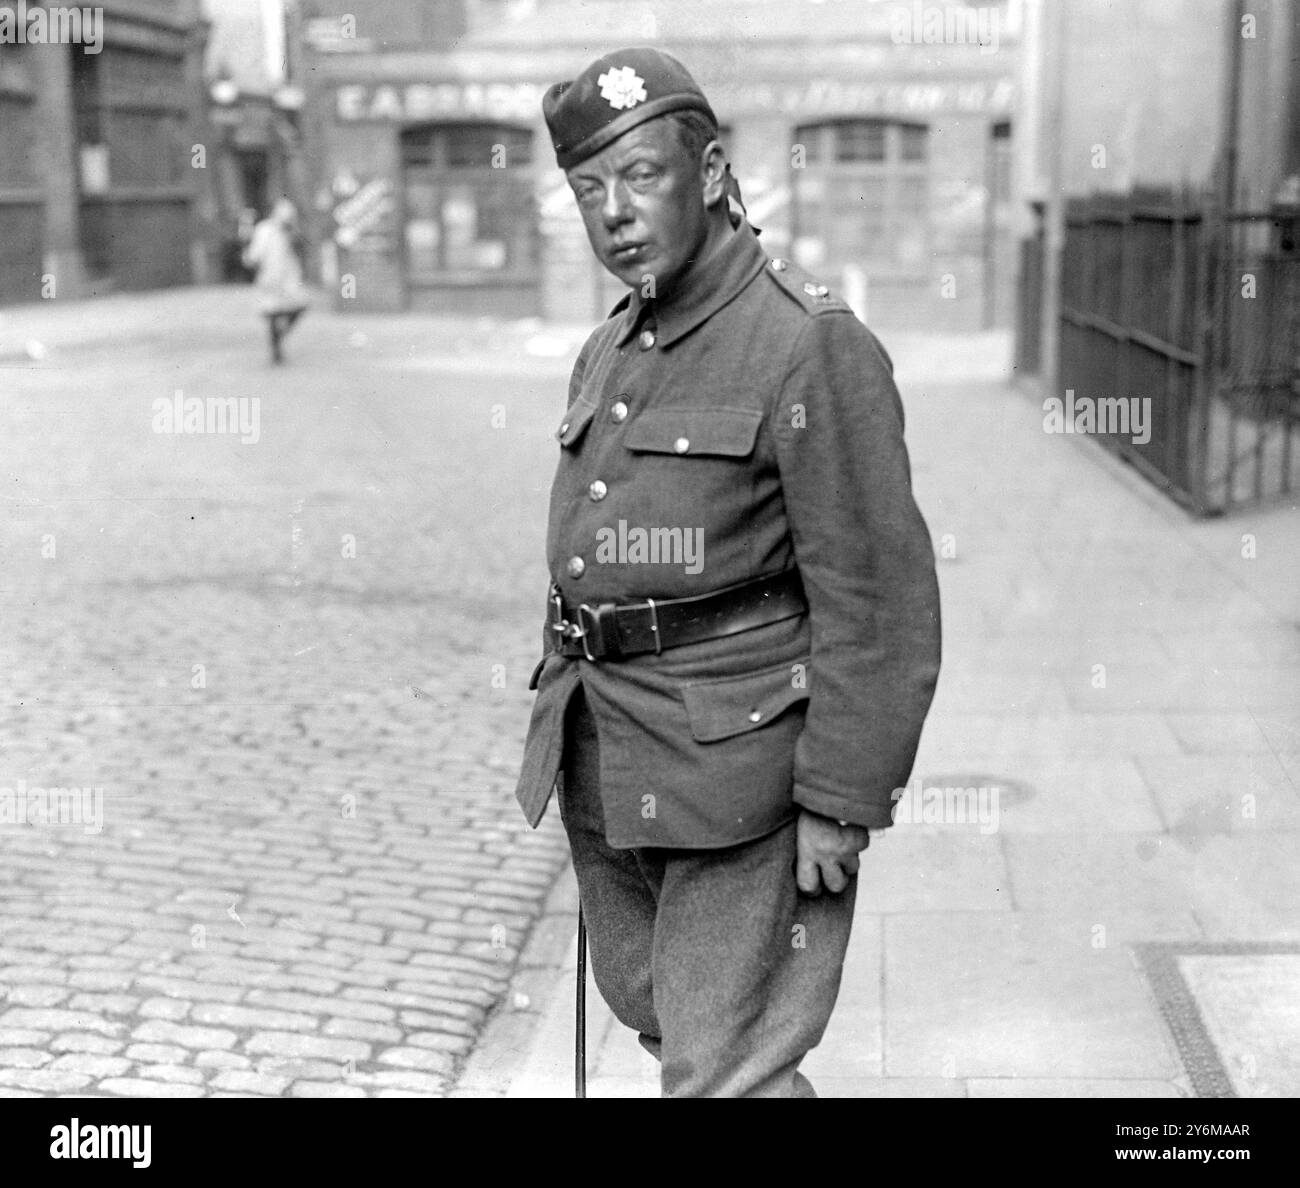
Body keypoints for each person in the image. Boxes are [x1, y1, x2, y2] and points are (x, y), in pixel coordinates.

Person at [515, 47, 942, 1098]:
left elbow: (877, 601)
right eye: (587, 189)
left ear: (708, 174)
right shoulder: (612, 347)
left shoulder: (807, 346)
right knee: (683, 1037)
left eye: (642, 176)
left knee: (724, 1070)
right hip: (613, 751)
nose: (613, 212)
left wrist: (841, 800)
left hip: (741, 780)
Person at [242, 198, 309, 364]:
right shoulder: (265, 229)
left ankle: (279, 337)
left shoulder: (292, 232)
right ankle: (276, 350)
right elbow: (256, 253)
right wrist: (250, 258)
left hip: (289, 277)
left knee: (299, 305)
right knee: (273, 312)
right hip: (271, 276)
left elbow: (301, 250)